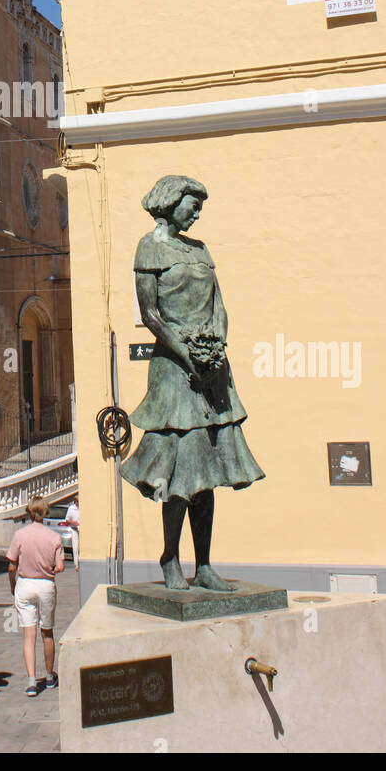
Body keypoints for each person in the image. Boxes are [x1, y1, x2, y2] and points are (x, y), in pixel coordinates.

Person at [120, 176, 264, 590]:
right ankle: (170, 558)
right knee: (180, 474)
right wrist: (187, 353)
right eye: (192, 204)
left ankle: (203, 565)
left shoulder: (201, 251)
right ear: (170, 203)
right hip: (176, 371)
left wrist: (216, 345)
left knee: (207, 471)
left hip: (212, 369)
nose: (198, 213)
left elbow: (220, 306)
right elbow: (151, 315)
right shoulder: (150, 248)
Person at [7, 497, 65, 696]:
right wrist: (50, 569)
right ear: (46, 512)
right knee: (46, 632)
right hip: (45, 584)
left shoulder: (20, 535)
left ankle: (32, 681)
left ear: (29, 512)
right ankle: (49, 676)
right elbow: (60, 566)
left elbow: (11, 565)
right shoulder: (54, 537)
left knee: (28, 635)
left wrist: (13, 585)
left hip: (25, 584)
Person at [65, 497, 80, 570]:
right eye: (77, 501)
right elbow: (67, 520)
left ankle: (81, 562)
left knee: (81, 547)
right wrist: (73, 522)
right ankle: (76, 564)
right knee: (75, 547)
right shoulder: (71, 509)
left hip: (82, 529)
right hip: (74, 529)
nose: (78, 503)